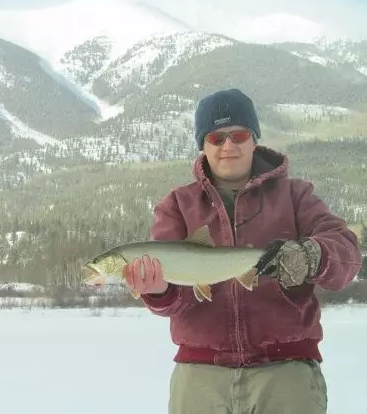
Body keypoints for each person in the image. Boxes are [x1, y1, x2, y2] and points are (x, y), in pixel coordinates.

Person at [124, 88, 362, 414]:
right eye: (216, 137)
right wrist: (159, 291)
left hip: (286, 374)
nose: (228, 146)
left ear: (254, 139)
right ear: (202, 145)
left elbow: (347, 253)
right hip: (201, 377)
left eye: (238, 134)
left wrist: (312, 255)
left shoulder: (296, 196)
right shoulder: (177, 206)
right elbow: (176, 302)